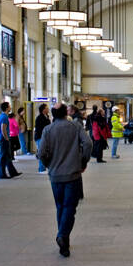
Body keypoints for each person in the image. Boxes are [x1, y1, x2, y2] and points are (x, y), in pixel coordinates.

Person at [38, 104, 92, 257]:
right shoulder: (75, 127)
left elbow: (41, 153)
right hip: (73, 174)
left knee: (60, 206)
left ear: (53, 114)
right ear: (65, 113)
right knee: (69, 207)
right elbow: (88, 143)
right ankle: (62, 236)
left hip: (55, 176)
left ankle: (64, 245)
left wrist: (50, 165)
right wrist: (83, 162)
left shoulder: (48, 130)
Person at [0, 101, 21, 179]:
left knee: (8, 156)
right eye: (9, 106)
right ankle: (2, 174)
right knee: (4, 157)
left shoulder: (2, 116)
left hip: (2, 138)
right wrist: (7, 138)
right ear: (7, 108)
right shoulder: (4, 117)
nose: (10, 107)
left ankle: (12, 172)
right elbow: (3, 128)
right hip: (3, 139)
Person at [34, 104, 52, 173]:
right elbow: (40, 129)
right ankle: (41, 169)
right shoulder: (39, 118)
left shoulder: (46, 117)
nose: (48, 109)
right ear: (43, 110)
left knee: (44, 152)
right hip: (40, 137)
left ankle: (42, 168)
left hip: (45, 137)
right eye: (47, 108)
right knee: (41, 152)